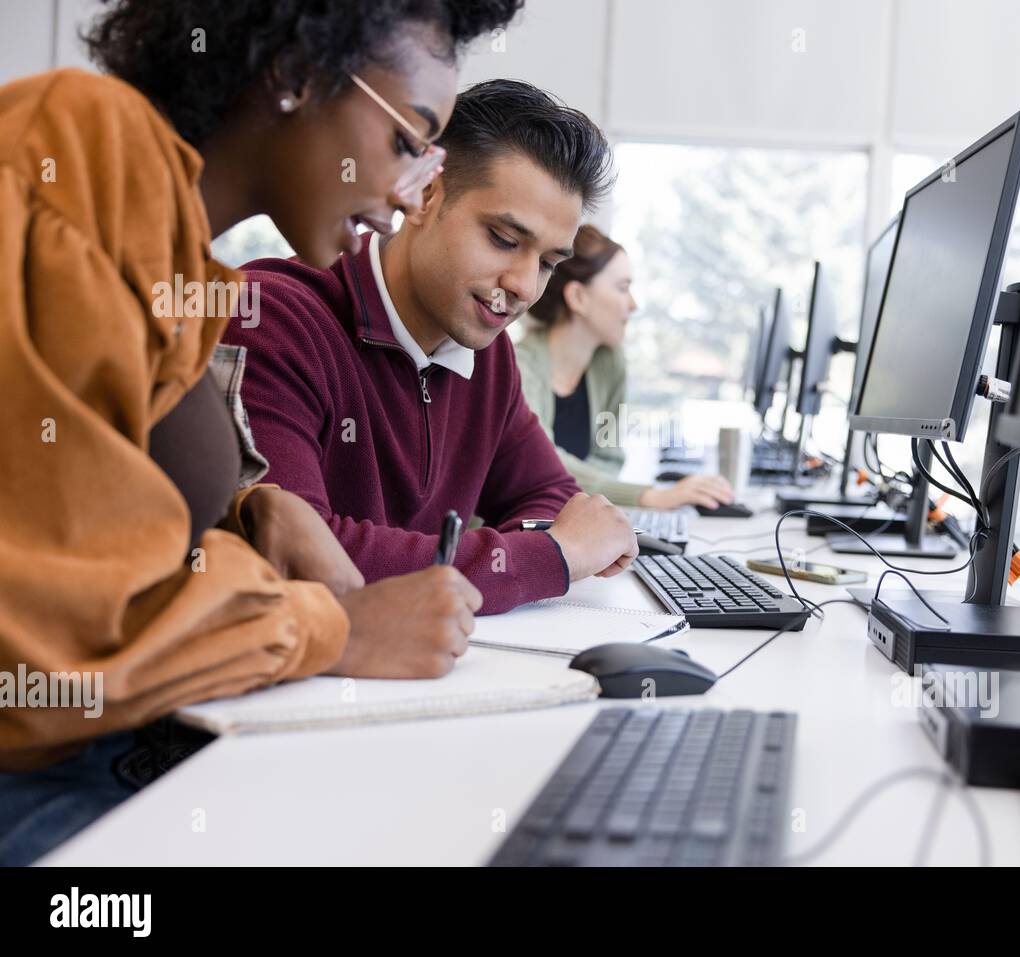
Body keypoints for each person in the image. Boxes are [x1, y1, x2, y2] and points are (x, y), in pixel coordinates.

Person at [0, 0, 523, 866]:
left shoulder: (180, 256)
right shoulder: (80, 143)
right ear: (297, 73)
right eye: (407, 142)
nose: (406, 198)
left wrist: (250, 512)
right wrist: (338, 627)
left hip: (120, 743)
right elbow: (50, 644)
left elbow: (87, 500)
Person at [223, 80, 638, 615]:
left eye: (548, 263)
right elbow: (303, 558)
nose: (524, 286)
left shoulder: (489, 356)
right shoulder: (271, 319)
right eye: (505, 241)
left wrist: (524, 556)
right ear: (424, 195)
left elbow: (552, 499)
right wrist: (549, 557)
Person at [515, 225, 735, 509]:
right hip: (515, 530)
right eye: (622, 288)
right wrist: (649, 497)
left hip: (569, 517)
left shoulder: (609, 363)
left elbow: (609, 458)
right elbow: (541, 459)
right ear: (578, 297)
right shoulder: (521, 367)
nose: (632, 304)